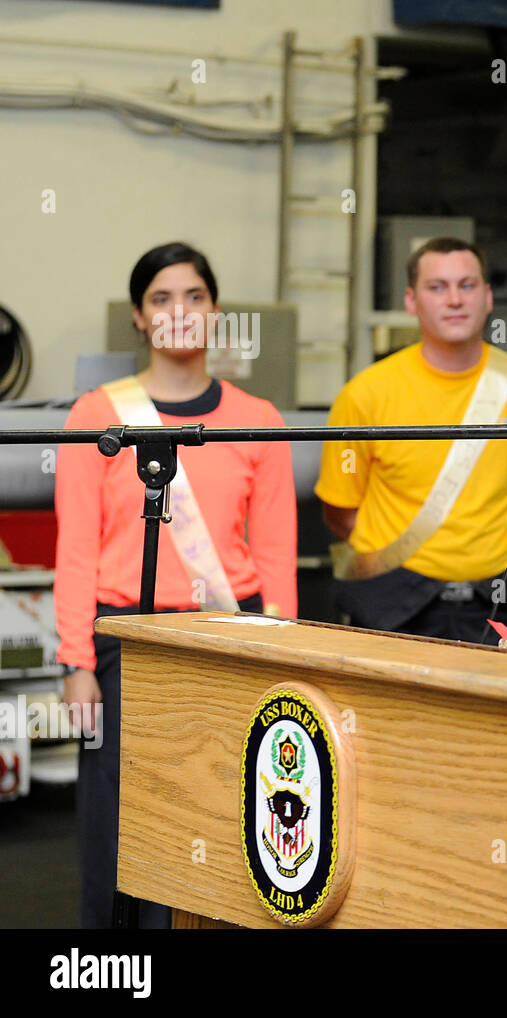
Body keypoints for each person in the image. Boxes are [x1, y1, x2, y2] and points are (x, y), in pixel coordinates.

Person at [56, 242, 298, 928]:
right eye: (161, 299)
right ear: (138, 317)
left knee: (220, 811)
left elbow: (278, 552)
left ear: (216, 312)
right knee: (113, 817)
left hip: (228, 638)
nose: (179, 312)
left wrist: (280, 651)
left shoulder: (260, 417)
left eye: (194, 297)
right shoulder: (94, 414)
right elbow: (76, 548)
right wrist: (76, 662)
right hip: (121, 642)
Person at [316, 237, 507, 643]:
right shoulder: (364, 394)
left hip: (503, 599)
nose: (454, 299)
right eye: (437, 287)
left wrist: (484, 545)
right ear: (410, 300)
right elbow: (339, 510)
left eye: (467, 285)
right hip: (391, 600)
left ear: (488, 297)